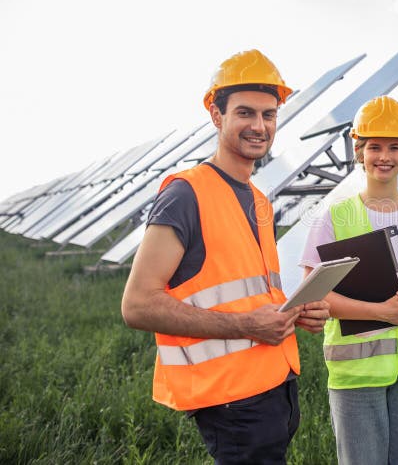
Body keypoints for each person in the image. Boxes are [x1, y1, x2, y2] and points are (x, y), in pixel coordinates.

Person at [121, 49, 330, 465]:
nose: (259, 126)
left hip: (275, 386)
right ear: (217, 116)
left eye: (269, 115)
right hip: (232, 400)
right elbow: (137, 305)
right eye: (245, 113)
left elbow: (245, 288)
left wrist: (296, 311)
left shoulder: (256, 199)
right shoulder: (185, 194)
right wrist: (247, 325)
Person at [300, 96, 398, 465]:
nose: (384, 156)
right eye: (374, 147)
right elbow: (313, 294)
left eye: (394, 147)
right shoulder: (334, 217)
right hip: (357, 371)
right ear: (359, 152)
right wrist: (382, 312)